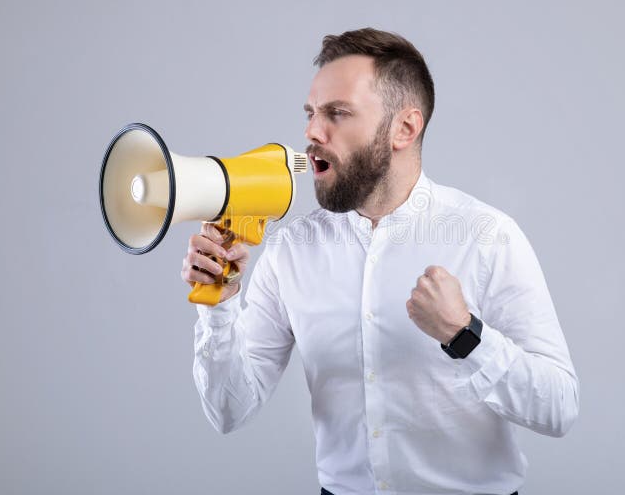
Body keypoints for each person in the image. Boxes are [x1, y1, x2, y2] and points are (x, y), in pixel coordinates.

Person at [181, 28, 578, 495]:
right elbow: (229, 410)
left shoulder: (487, 238)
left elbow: (559, 408)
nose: (311, 132)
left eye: (337, 113)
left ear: (404, 129)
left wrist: (465, 335)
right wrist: (219, 307)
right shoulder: (290, 252)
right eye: (310, 114)